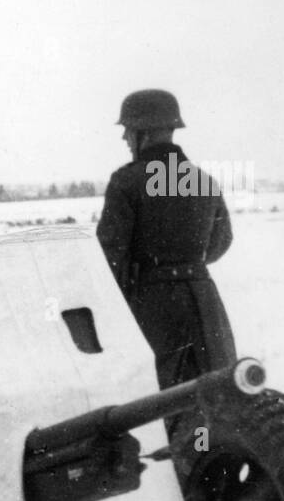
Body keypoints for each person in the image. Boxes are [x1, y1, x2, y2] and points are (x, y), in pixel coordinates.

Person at [97, 89, 237, 391]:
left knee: (169, 397)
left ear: (142, 133)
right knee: (217, 389)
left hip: (154, 306)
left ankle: (189, 440)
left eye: (127, 131)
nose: (124, 139)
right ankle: (208, 441)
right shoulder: (203, 180)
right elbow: (222, 240)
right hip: (205, 301)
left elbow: (110, 254)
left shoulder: (126, 181)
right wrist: (188, 264)